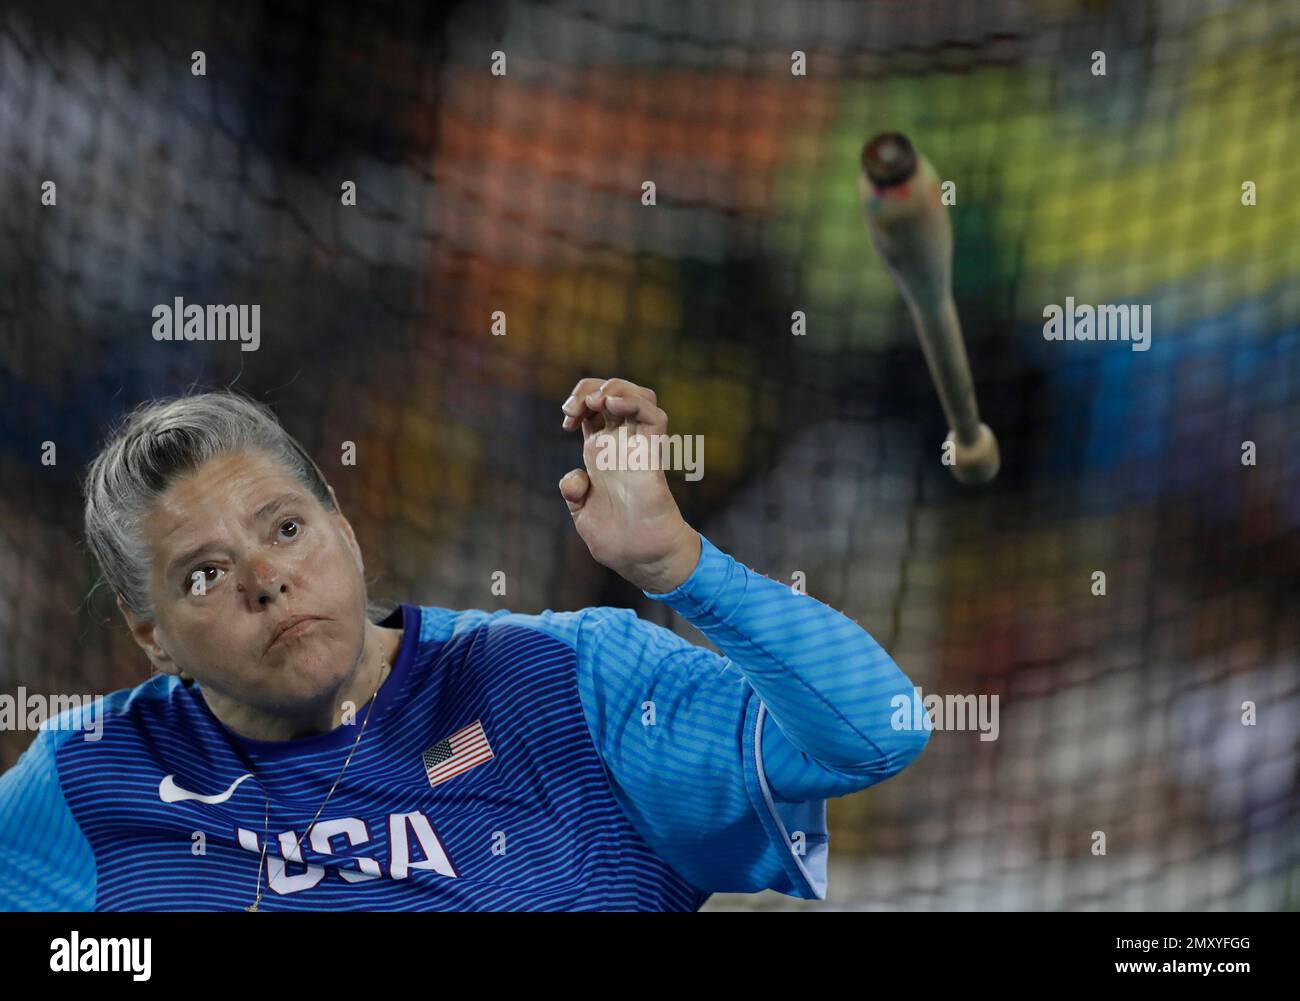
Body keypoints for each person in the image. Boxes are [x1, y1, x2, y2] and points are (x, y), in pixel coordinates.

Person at [0, 380, 929, 910]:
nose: (263, 581)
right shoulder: (89, 782)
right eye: (204, 573)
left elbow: (879, 731)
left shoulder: (567, 687)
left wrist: (678, 564)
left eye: (284, 529)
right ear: (152, 636)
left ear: (347, 534)